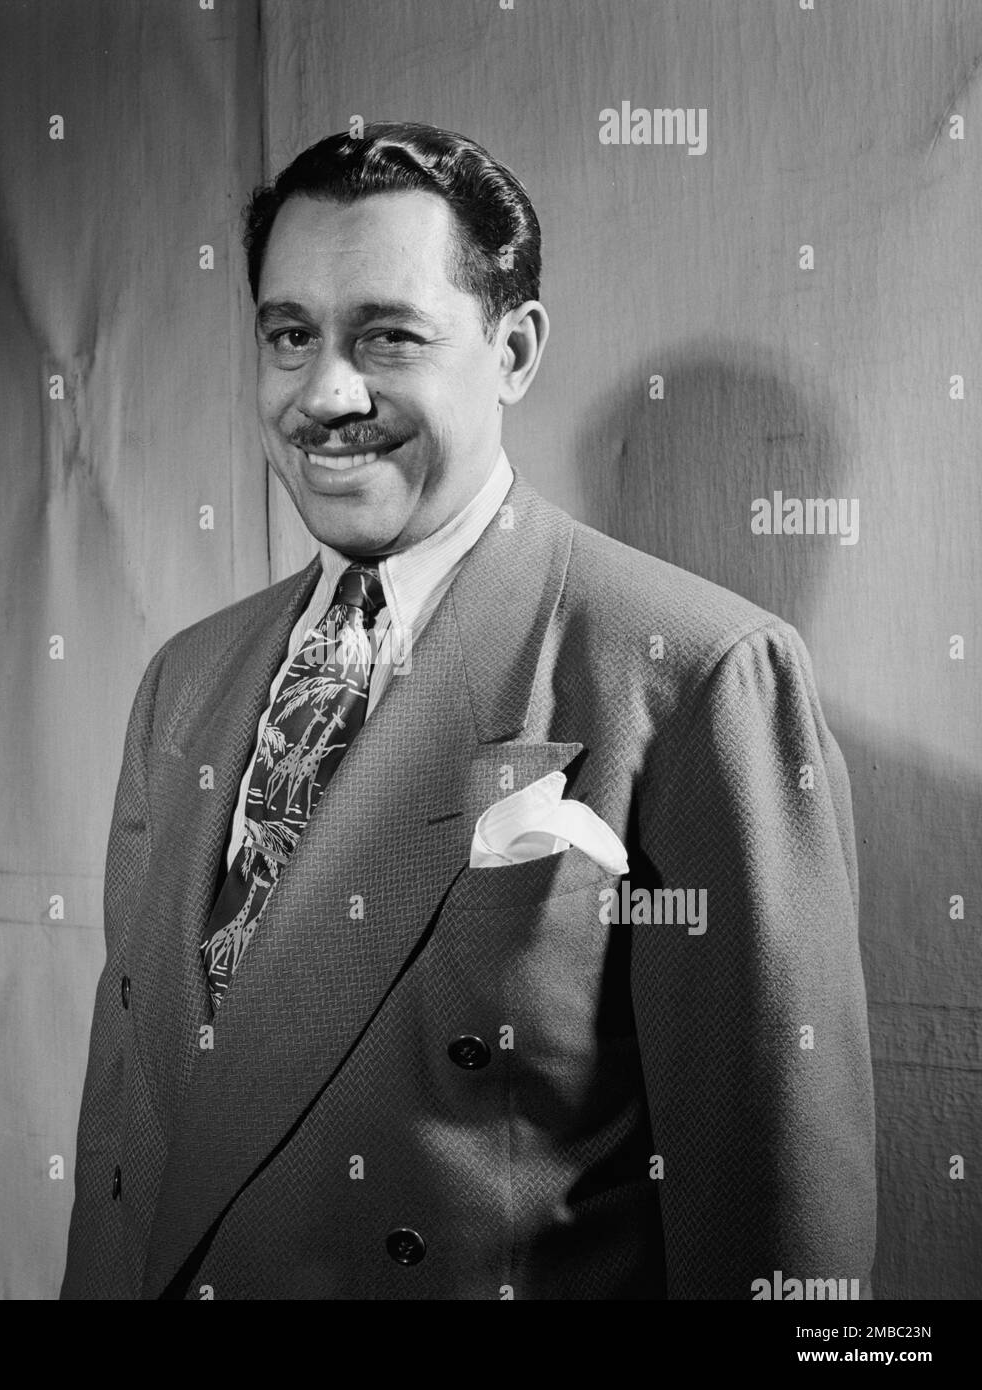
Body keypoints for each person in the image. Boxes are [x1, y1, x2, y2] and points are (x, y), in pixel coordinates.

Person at [61, 122, 875, 1300]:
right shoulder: (183, 684)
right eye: (289, 337)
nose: (328, 394)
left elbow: (777, 1215)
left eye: (388, 335)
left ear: (514, 349)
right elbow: (129, 1145)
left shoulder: (698, 677)